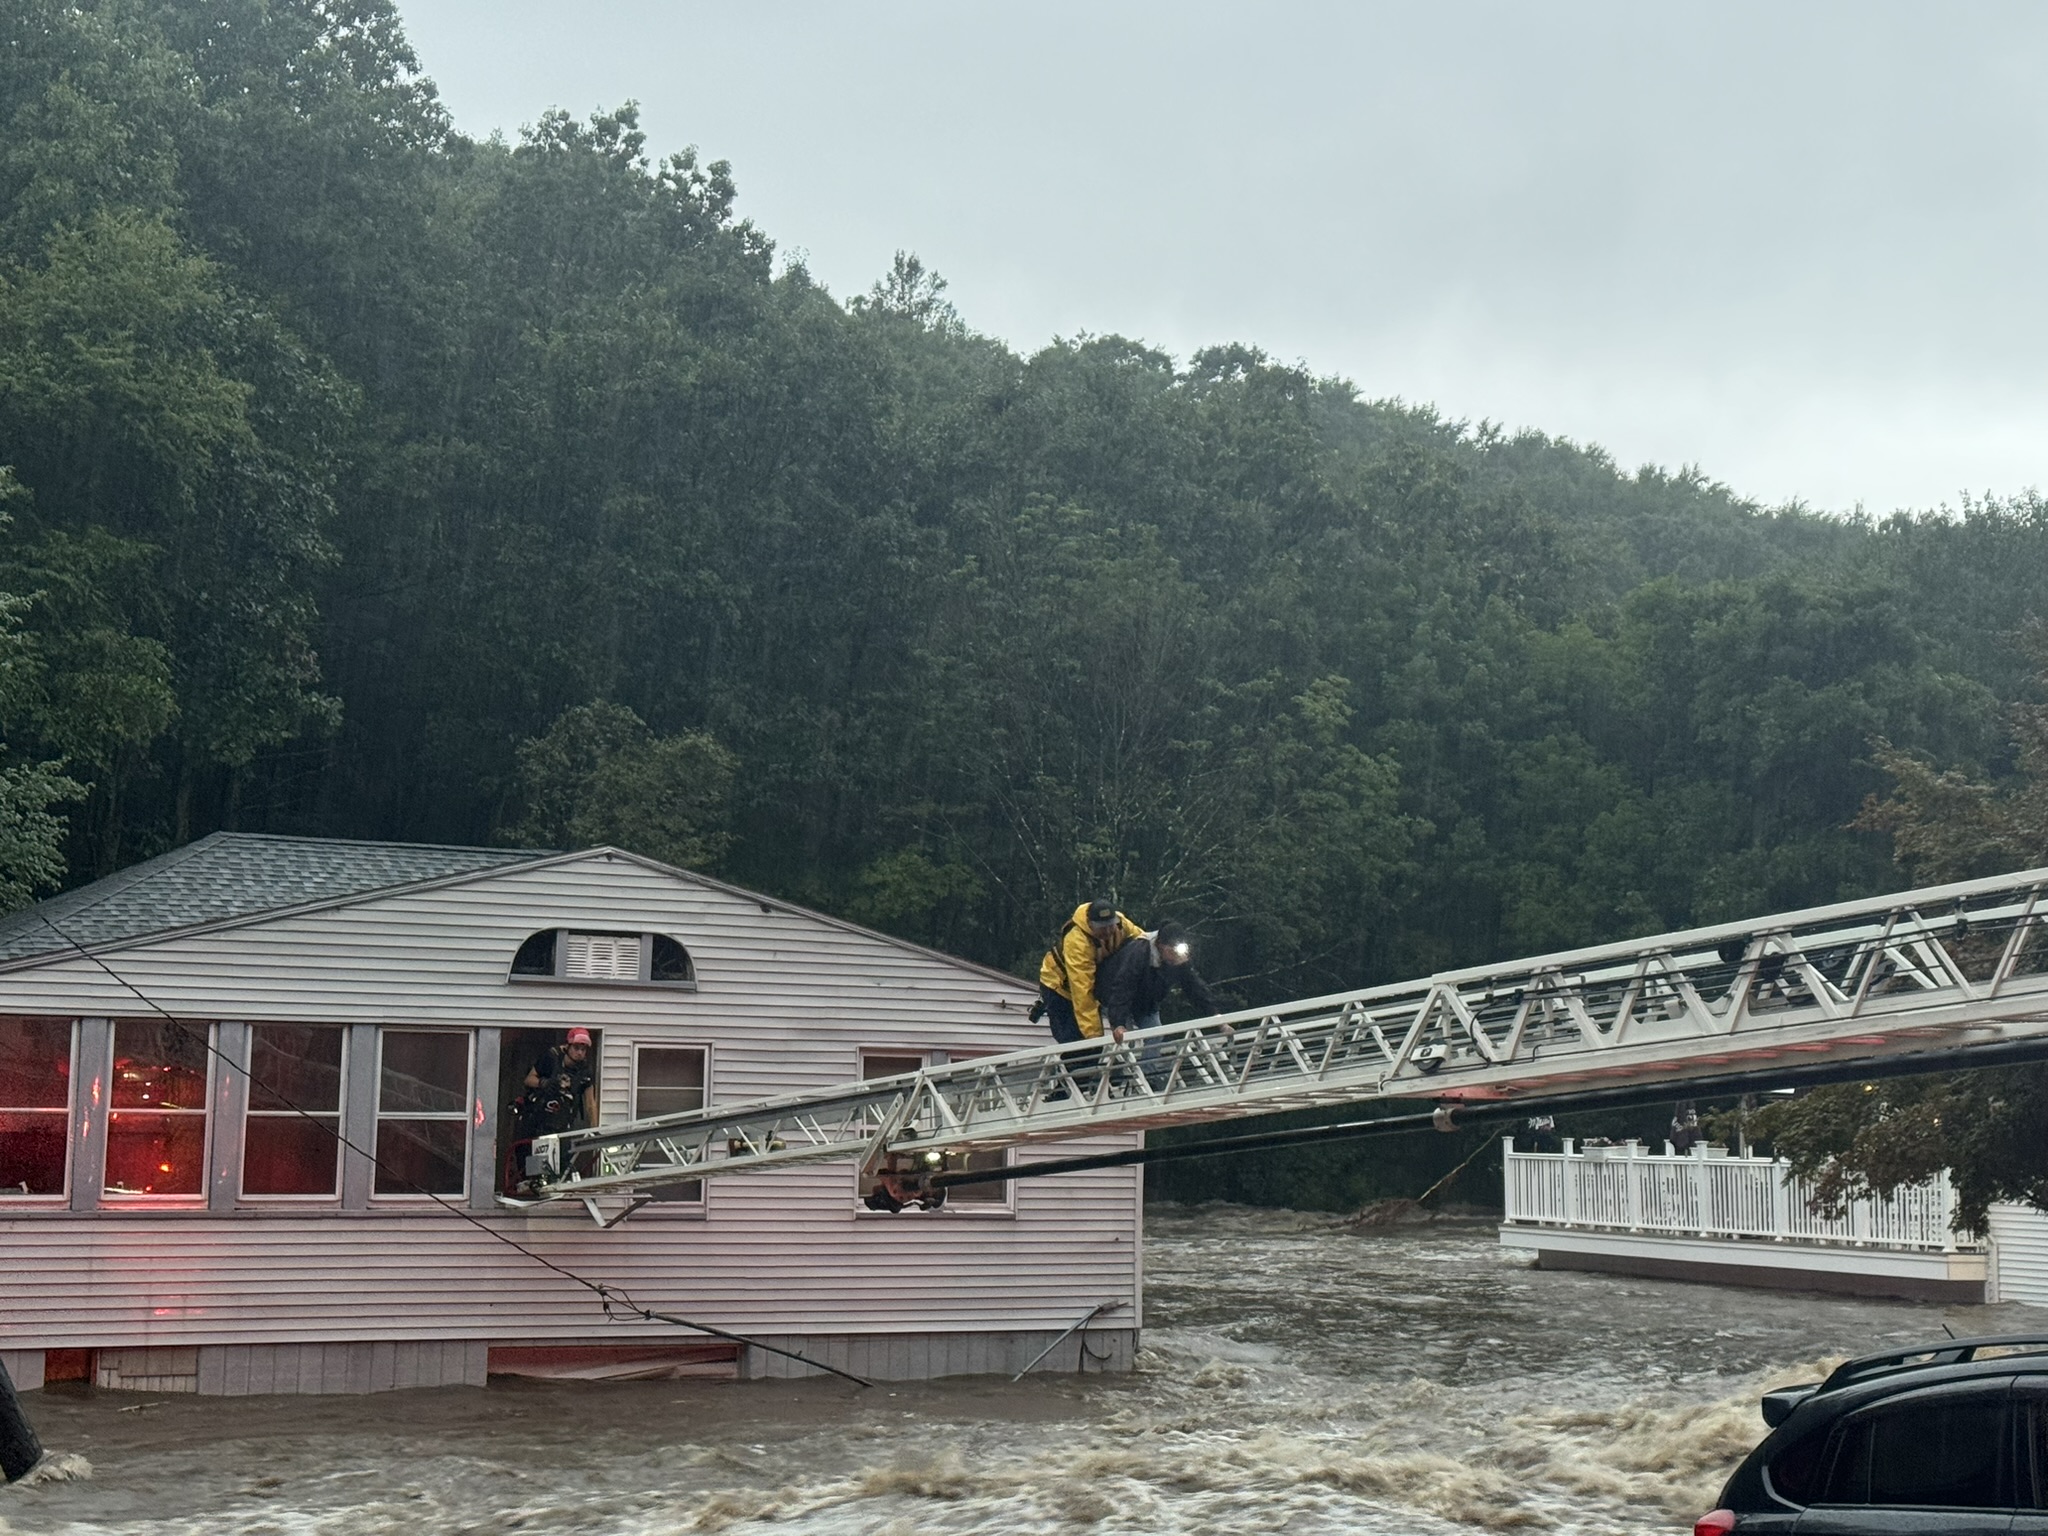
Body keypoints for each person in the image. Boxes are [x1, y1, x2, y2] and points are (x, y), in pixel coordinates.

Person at [1094, 920, 1218, 1088]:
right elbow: (1123, 987)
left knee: (1155, 1033)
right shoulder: (1139, 953)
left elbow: (1194, 987)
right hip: (1116, 996)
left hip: (1146, 1001)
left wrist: (1215, 1015)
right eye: (1171, 950)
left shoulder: (1177, 959)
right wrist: (1118, 1023)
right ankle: (1112, 1076)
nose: (1175, 955)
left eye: (1178, 950)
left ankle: (1148, 1075)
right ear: (1159, 945)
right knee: (1125, 1038)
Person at [1036, 897, 1144, 1046]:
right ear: (1090, 925)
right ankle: (1073, 1066)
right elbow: (1083, 991)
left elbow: (1143, 944)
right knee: (1075, 1042)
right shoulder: (1077, 941)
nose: (1107, 931)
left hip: (1091, 983)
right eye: (1101, 927)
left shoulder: (1122, 924)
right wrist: (1094, 1037)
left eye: (1110, 926)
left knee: (1093, 1049)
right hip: (1060, 988)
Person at [518, 1027, 599, 1138]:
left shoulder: (585, 1072)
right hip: (538, 1120)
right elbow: (528, 1080)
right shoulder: (551, 1058)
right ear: (567, 1046)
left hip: (564, 1124)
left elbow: (590, 1103)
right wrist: (543, 1083)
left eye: (583, 1049)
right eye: (576, 1048)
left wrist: (594, 1129)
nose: (579, 1053)